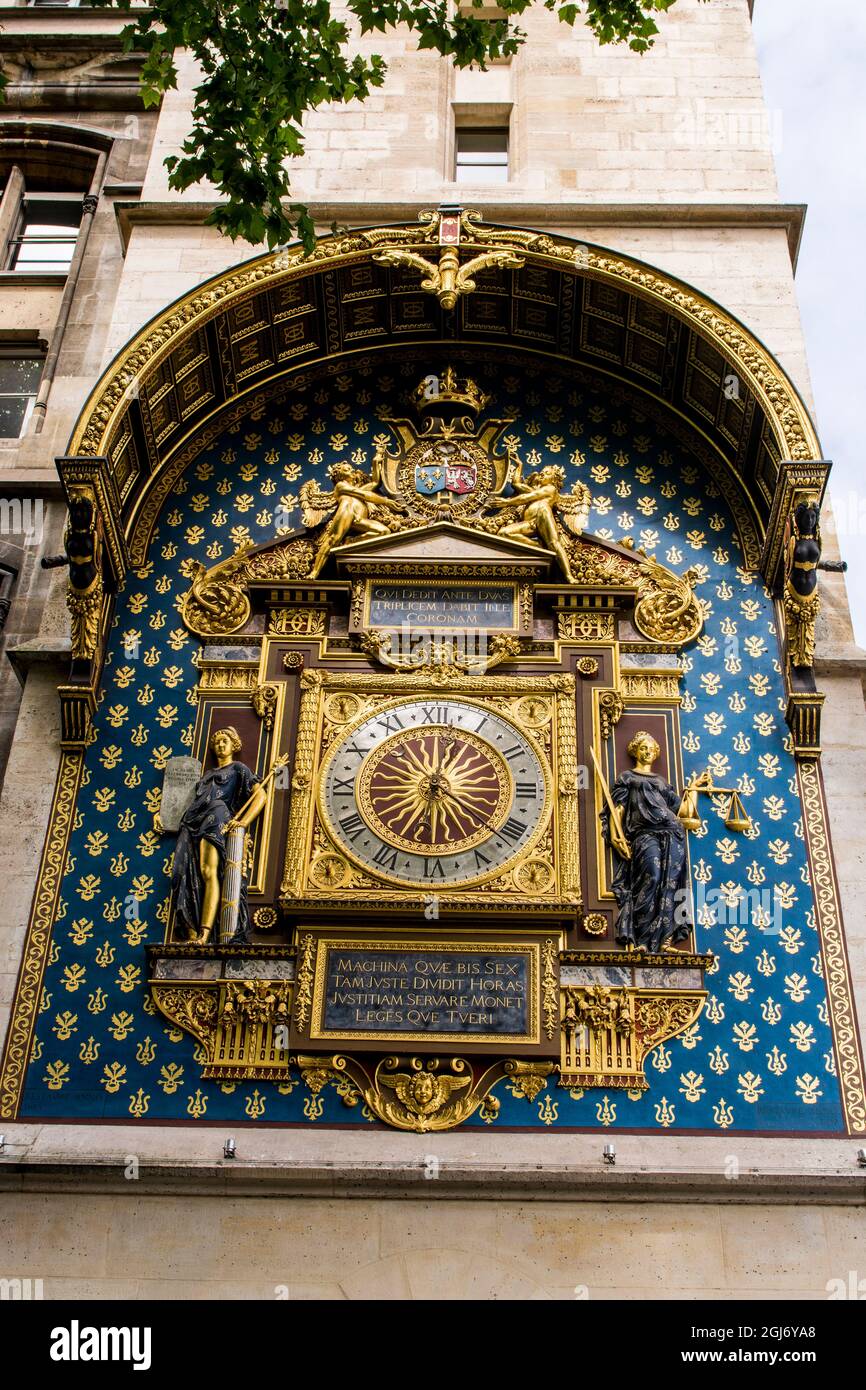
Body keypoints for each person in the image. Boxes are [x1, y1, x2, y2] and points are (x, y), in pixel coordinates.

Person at [170, 727, 265, 945]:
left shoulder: (238, 769)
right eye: (217, 742)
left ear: (234, 745)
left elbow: (261, 795)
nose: (220, 745)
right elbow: (188, 803)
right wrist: (165, 818)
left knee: (208, 871)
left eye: (225, 741)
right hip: (194, 821)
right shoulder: (207, 776)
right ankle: (195, 927)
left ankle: (204, 933)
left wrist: (243, 822)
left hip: (217, 817)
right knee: (185, 871)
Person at [599, 730, 692, 952]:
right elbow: (618, 809)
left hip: (673, 833)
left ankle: (665, 942)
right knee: (651, 877)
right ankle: (642, 939)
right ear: (635, 751)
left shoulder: (661, 781)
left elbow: (685, 811)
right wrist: (614, 835)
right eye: (643, 747)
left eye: (651, 748)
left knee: (670, 885)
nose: (647, 751)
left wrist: (693, 789)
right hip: (644, 834)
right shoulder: (627, 778)